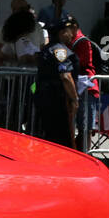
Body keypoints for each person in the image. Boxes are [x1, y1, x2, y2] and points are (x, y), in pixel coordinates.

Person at [32, 19, 80, 149]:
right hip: (57, 100)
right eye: (69, 31)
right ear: (62, 33)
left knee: (48, 136)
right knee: (62, 139)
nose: (72, 35)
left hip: (45, 98)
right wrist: (75, 99)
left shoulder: (47, 49)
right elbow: (65, 76)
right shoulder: (60, 51)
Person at [62, 14, 99, 149]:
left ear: (75, 27)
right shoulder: (70, 42)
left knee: (85, 127)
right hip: (76, 87)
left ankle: (84, 154)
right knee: (73, 126)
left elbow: (78, 62)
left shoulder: (82, 42)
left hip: (86, 88)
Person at [0, 0, 46, 66]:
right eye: (23, 9)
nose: (26, 11)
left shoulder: (37, 27)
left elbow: (42, 49)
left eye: (27, 8)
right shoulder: (6, 32)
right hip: (15, 73)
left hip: (31, 73)